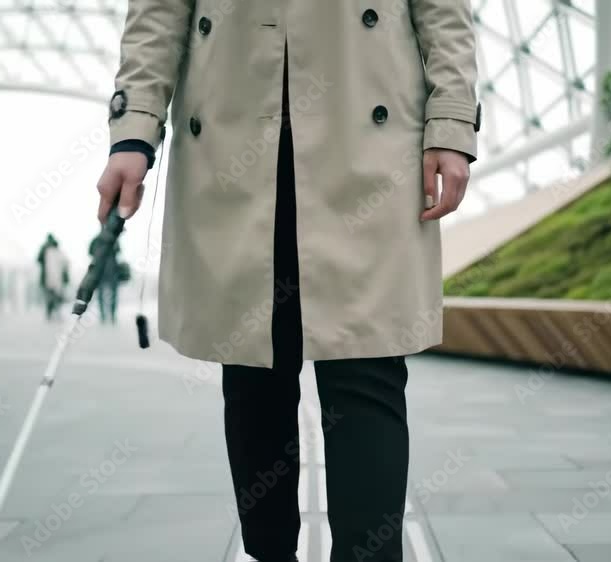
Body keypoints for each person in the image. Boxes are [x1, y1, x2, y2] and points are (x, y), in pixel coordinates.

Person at [97, 3, 479, 561]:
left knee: (366, 368)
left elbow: (443, 11)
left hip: (366, 139)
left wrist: (452, 121)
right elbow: (158, 14)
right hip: (233, 142)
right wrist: (133, 133)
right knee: (253, 375)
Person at [88, 234, 124, 324]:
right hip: (110, 272)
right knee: (111, 295)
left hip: (103, 272)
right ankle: (110, 316)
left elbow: (90, 253)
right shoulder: (112, 239)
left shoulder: (96, 240)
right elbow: (118, 251)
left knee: (103, 295)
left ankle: (105, 316)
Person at [36, 234, 69, 321]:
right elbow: (65, 266)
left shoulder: (45, 251)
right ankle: (54, 314)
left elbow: (38, 260)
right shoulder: (58, 252)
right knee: (55, 296)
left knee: (50, 297)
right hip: (56, 279)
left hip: (47, 278)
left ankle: (50, 314)